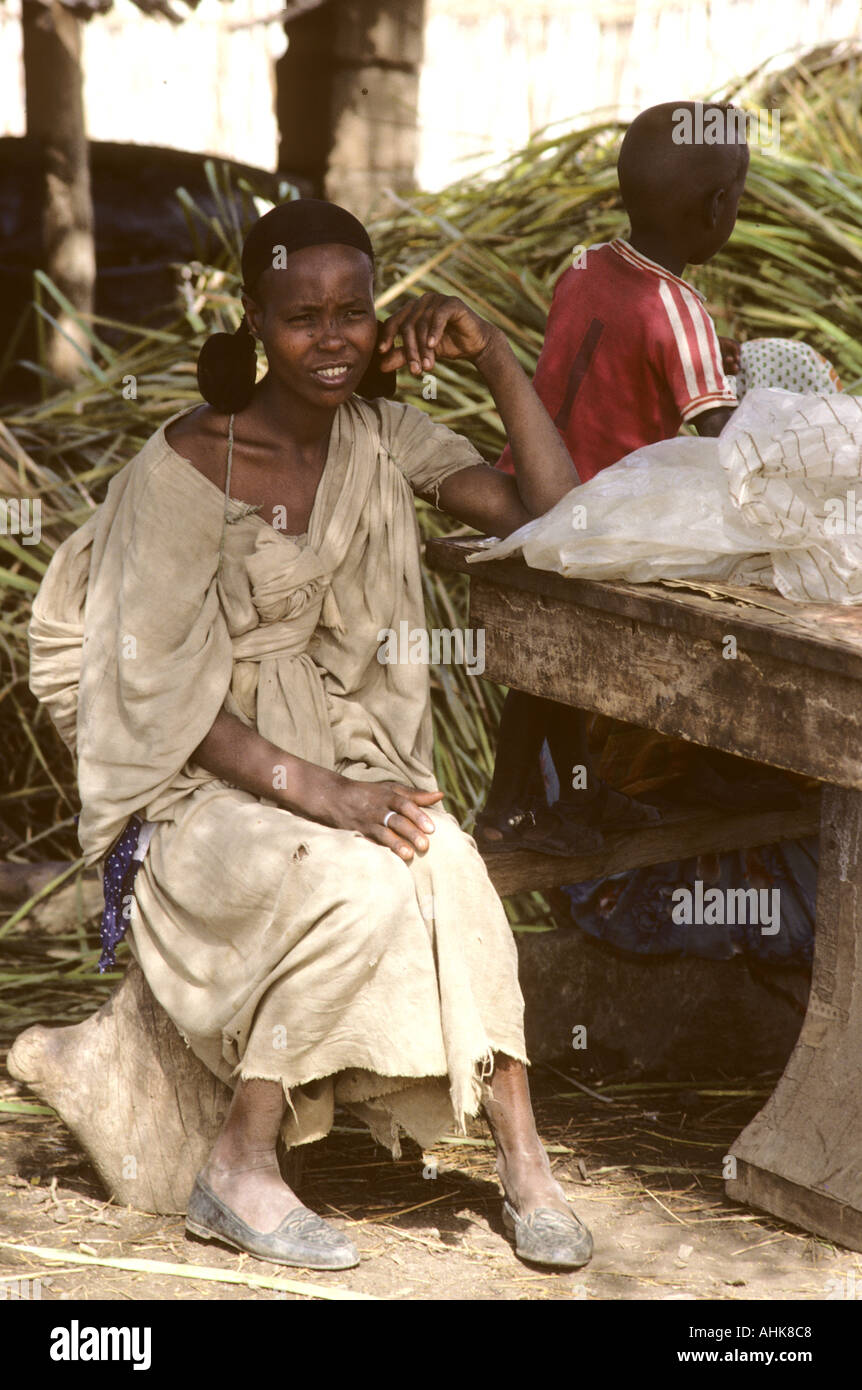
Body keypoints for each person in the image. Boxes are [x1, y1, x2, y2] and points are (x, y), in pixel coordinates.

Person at [28, 198, 594, 1273]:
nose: (332, 338)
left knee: (449, 861)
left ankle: (525, 1158)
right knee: (360, 881)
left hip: (348, 773)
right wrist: (321, 795)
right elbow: (156, 697)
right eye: (300, 315)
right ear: (252, 321)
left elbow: (551, 512)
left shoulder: (384, 438)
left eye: (353, 312)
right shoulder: (183, 469)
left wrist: (493, 351)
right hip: (195, 795)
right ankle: (239, 1166)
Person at [477, 100, 749, 855]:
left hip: (534, 493)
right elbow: (724, 439)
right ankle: (510, 810)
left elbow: (606, 361)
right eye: (740, 195)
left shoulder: (586, 264)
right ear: (718, 207)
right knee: (559, 669)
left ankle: (579, 799)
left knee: (552, 663)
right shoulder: (680, 306)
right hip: (605, 521)